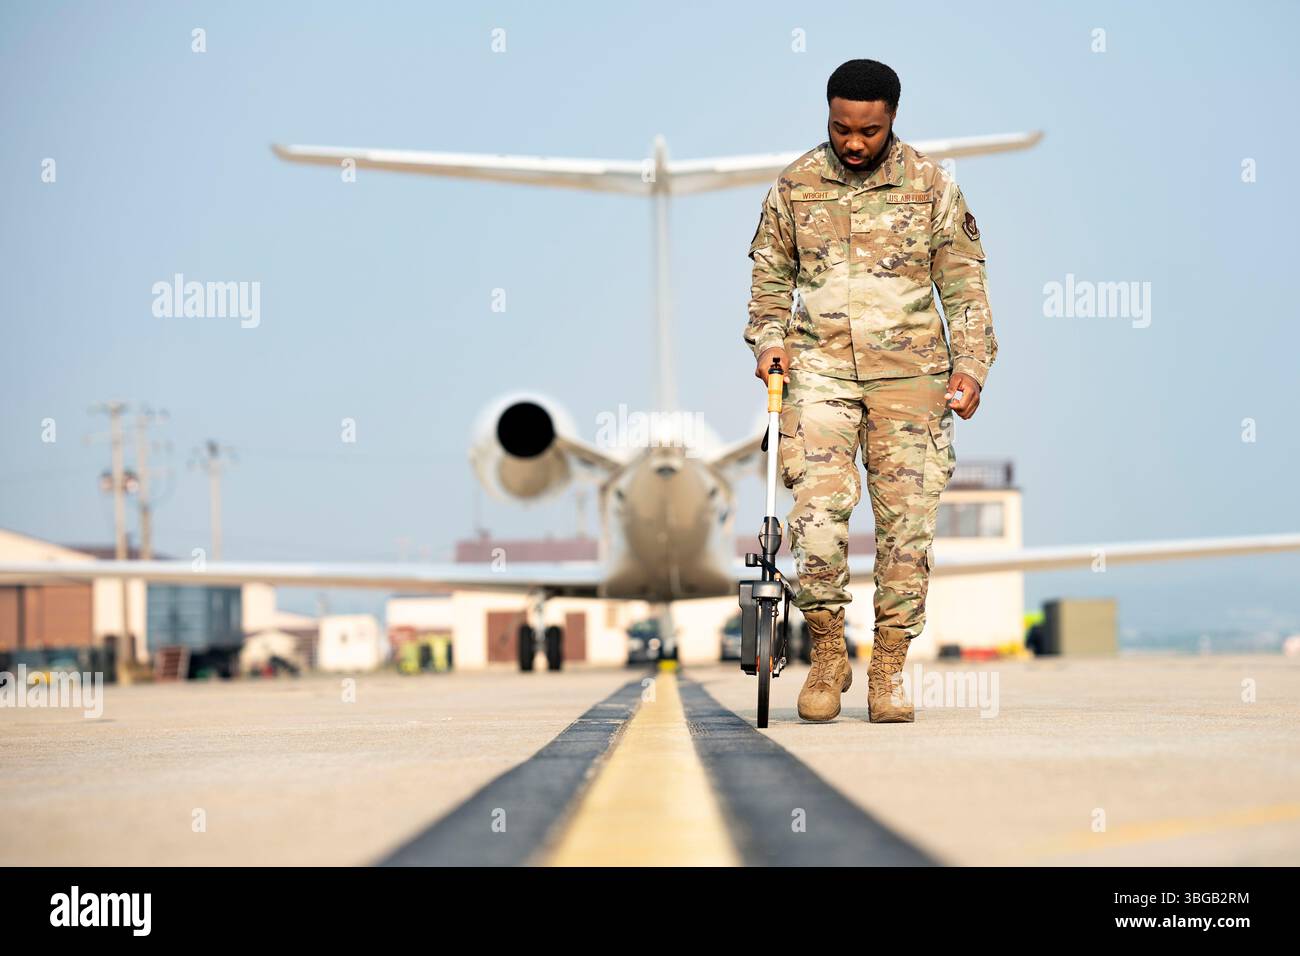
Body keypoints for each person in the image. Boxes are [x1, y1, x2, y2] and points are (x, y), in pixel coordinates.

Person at [743, 58, 997, 723]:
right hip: (819, 372)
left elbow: (965, 285)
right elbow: (769, 282)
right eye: (841, 127)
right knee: (817, 523)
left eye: (869, 130)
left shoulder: (932, 187)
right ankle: (828, 654)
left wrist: (970, 367)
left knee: (906, 531)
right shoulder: (795, 186)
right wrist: (770, 340)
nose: (854, 142)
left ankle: (888, 667)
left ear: (891, 120)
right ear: (828, 115)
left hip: (913, 380)